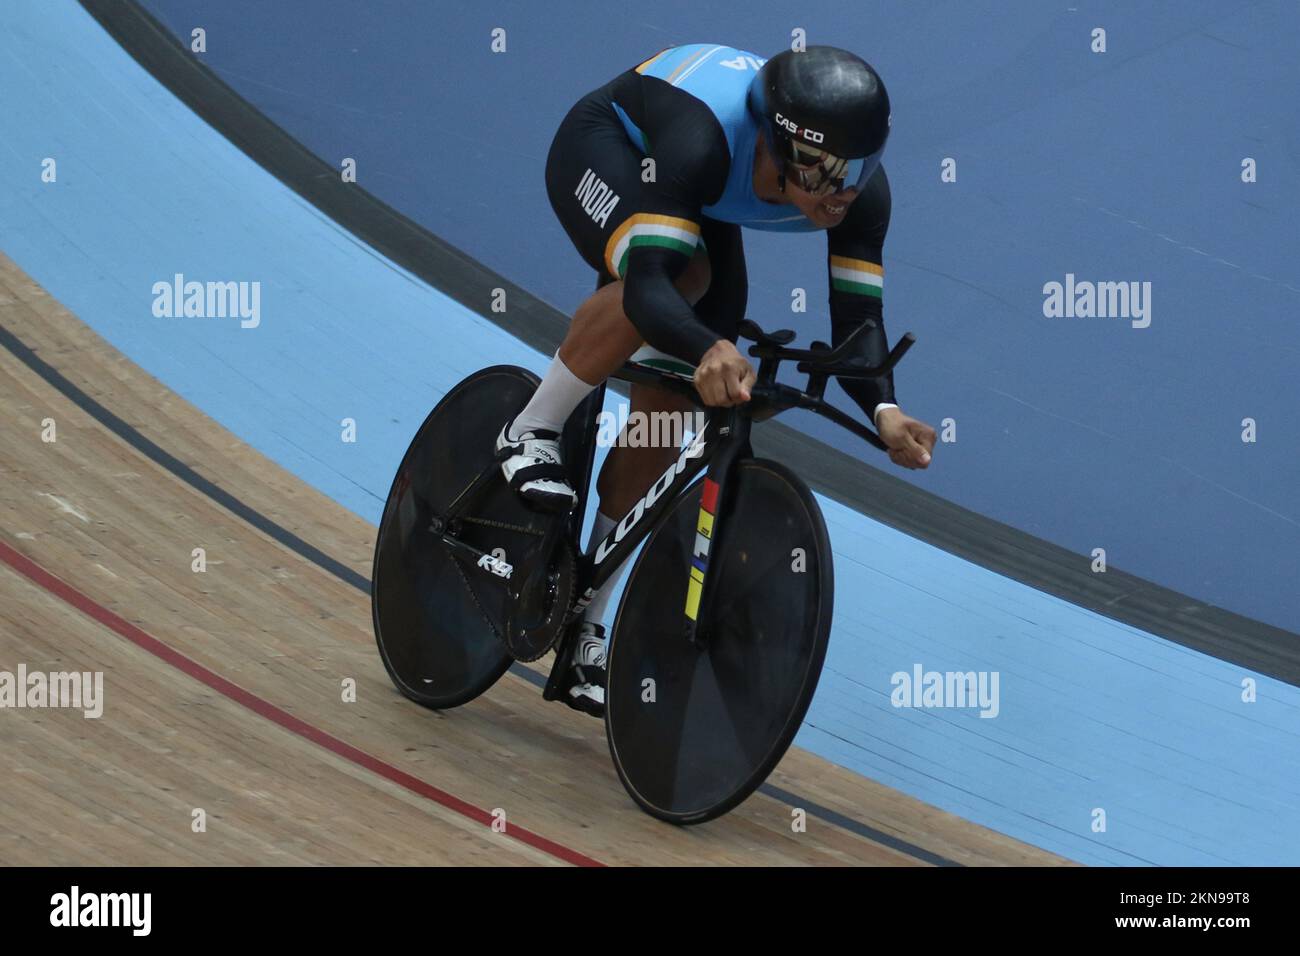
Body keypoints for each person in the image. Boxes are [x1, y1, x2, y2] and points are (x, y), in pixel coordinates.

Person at [498, 44, 937, 716]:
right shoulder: (703, 140)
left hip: (699, 204)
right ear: (779, 148)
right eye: (824, 171)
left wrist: (886, 414)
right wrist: (707, 343)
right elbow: (647, 285)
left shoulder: (858, 198)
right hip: (616, 149)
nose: (842, 190)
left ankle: (588, 614)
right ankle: (531, 426)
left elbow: (858, 325)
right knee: (683, 282)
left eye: (860, 168)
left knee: (668, 413)